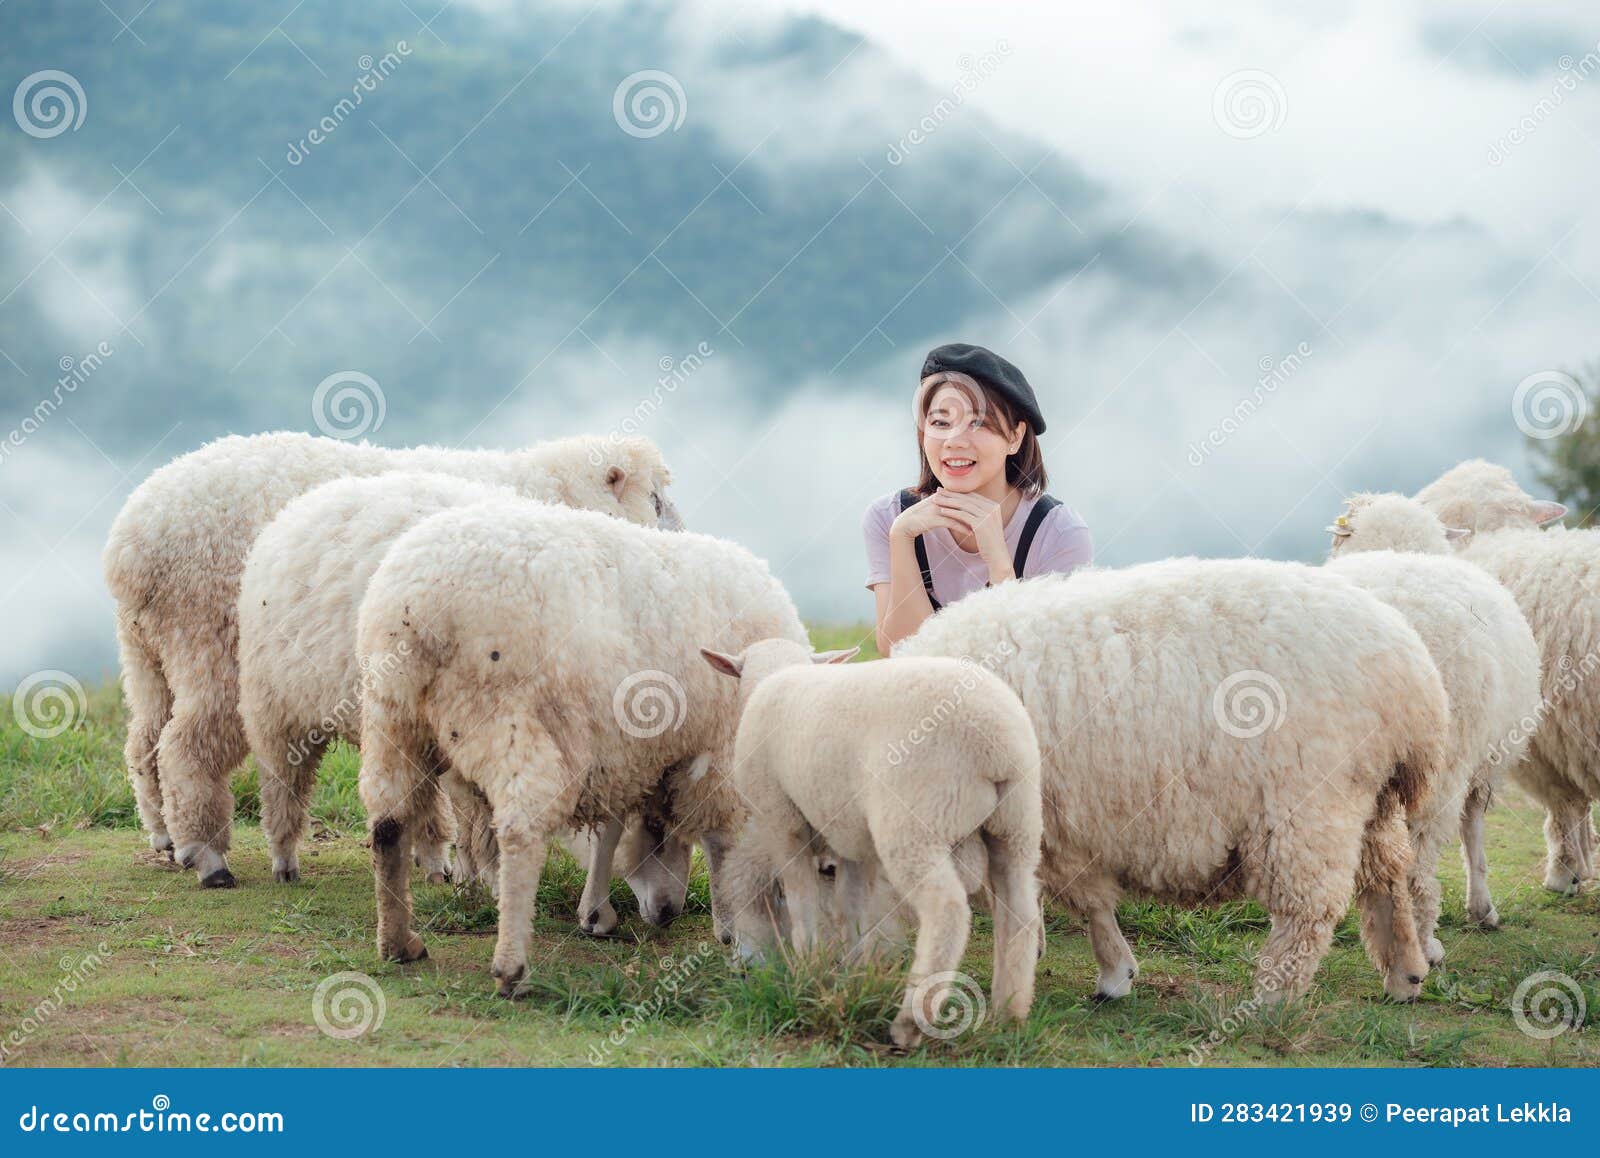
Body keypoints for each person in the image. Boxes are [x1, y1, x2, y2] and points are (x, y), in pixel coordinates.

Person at [863, 342, 1092, 656]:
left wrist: (999, 562)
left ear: (1015, 437)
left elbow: (1045, 660)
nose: (954, 441)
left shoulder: (1058, 532)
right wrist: (902, 539)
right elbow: (899, 656)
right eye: (940, 423)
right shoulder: (889, 518)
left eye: (978, 423)